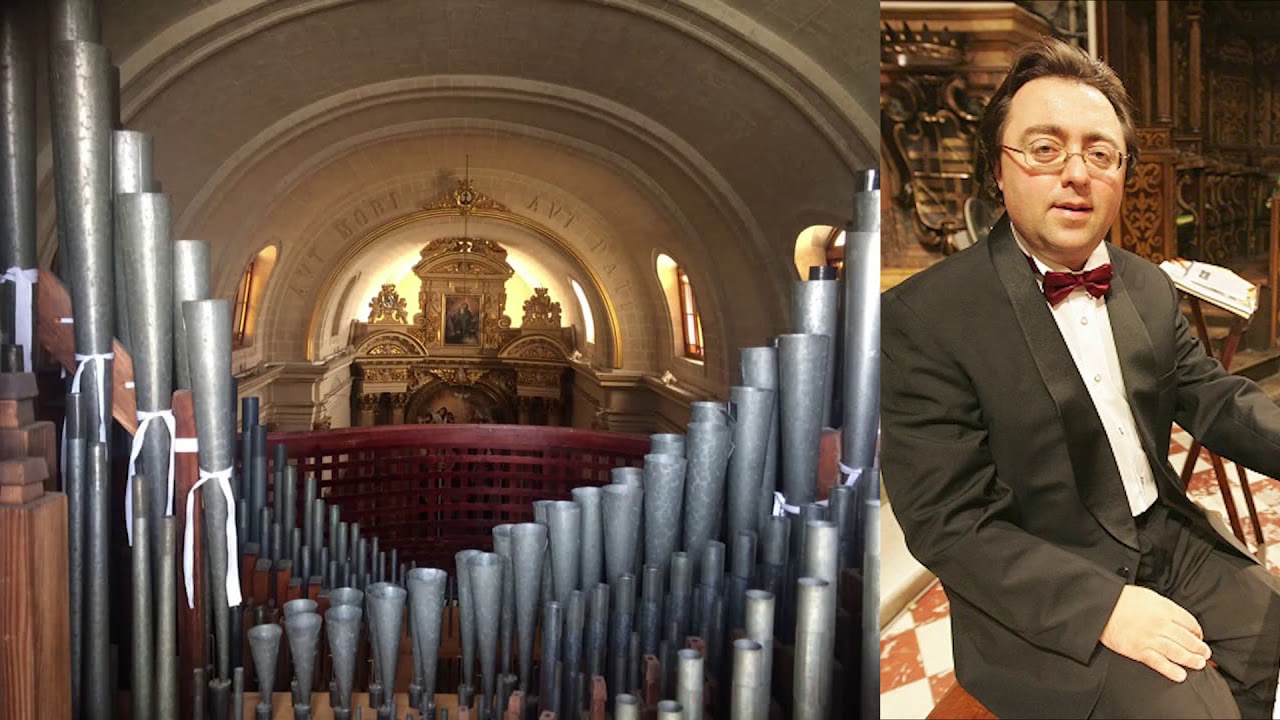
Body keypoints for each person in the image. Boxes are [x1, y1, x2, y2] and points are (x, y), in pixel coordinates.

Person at [882, 37, 1280, 719]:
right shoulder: (924, 318)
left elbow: (1215, 399)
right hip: (1045, 571)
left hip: (1163, 535)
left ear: (1124, 172)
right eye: (1044, 148)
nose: (1076, 173)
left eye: (1100, 153)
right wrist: (1102, 607)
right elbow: (952, 522)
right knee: (1192, 708)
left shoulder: (1147, 284)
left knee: (1268, 633)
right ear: (997, 172)